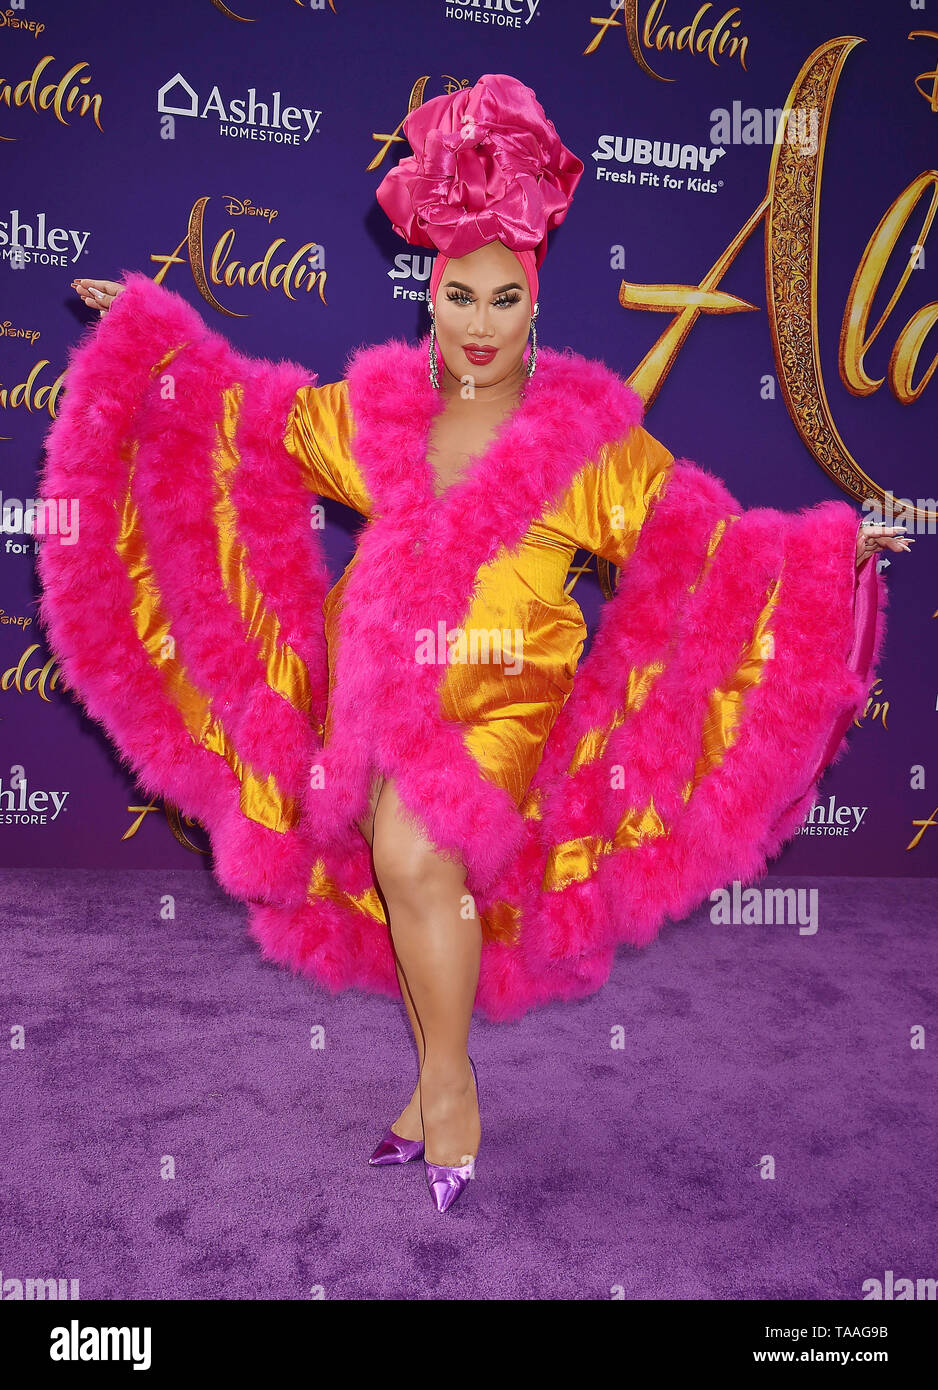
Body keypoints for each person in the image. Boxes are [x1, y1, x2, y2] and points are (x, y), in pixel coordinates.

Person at [45, 74, 908, 1216]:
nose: (480, 324)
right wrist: (154, 341)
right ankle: (424, 1089)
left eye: (505, 298)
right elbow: (246, 419)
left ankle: (449, 1094)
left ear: (534, 302)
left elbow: (698, 537)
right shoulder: (374, 414)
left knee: (413, 853)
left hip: (502, 711)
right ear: (431, 294)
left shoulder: (585, 440)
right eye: (461, 296)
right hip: (371, 696)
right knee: (403, 879)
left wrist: (829, 547)